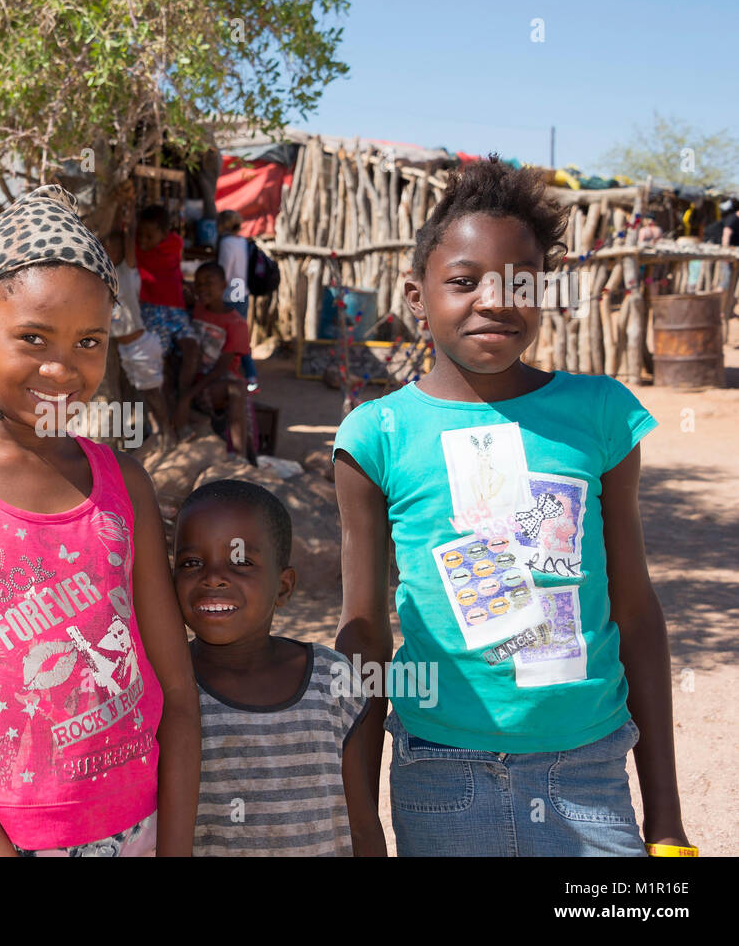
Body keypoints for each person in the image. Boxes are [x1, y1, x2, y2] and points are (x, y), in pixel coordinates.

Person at [332, 155, 693, 857]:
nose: (494, 301)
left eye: (518, 282)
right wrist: (361, 821)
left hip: (587, 774)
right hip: (440, 774)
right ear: (416, 294)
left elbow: (637, 613)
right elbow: (365, 634)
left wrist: (667, 819)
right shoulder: (377, 436)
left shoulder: (600, 416)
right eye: (463, 281)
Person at [0, 184, 201, 857]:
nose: (62, 368)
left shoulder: (122, 483)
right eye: (32, 337)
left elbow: (174, 690)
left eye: (88, 341)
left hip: (134, 831)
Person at [175, 480, 385, 856]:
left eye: (240, 561)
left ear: (283, 587)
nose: (212, 577)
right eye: (192, 562)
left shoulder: (331, 681)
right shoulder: (169, 688)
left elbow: (362, 825)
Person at [103, 197, 175, 451]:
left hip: (141, 346)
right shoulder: (103, 282)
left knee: (153, 394)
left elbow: (131, 235)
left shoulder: (127, 273)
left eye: (111, 249)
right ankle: (156, 434)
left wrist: (129, 213)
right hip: (127, 350)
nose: (107, 253)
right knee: (141, 396)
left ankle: (167, 436)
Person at [174, 261, 253, 463]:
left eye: (209, 282)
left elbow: (221, 368)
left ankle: (239, 456)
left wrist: (187, 396)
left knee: (236, 389)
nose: (203, 288)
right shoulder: (196, 309)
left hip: (216, 382)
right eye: (199, 284)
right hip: (192, 378)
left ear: (224, 285)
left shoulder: (236, 324)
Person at [136, 203, 200, 381]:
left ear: (164, 234)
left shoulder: (175, 243)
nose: (143, 241)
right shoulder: (136, 248)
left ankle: (185, 394)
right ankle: (163, 396)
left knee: (191, 348)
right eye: (140, 235)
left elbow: (174, 270)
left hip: (177, 308)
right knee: (159, 357)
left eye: (149, 236)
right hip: (152, 309)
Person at [216, 209, 259, 391]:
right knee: (240, 336)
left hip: (230, 294)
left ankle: (248, 375)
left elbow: (224, 270)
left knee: (233, 338)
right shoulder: (242, 241)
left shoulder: (226, 242)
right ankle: (249, 375)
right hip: (242, 291)